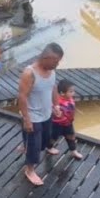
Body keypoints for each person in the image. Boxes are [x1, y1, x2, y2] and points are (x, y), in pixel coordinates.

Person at [17, 43, 65, 186]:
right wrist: (27, 119)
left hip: (47, 113)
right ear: (46, 58)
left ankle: (26, 145)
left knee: (45, 139)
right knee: (35, 144)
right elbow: (22, 97)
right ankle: (29, 169)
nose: (57, 65)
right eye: (56, 61)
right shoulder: (29, 73)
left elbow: (53, 88)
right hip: (33, 115)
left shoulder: (52, 72)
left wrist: (56, 105)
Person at [45, 79, 84, 160]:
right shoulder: (57, 101)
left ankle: (73, 150)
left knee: (71, 136)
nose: (73, 93)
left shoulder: (70, 99)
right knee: (53, 137)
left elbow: (70, 108)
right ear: (62, 93)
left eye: (73, 91)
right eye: (71, 91)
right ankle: (49, 147)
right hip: (57, 124)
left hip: (68, 123)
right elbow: (52, 109)